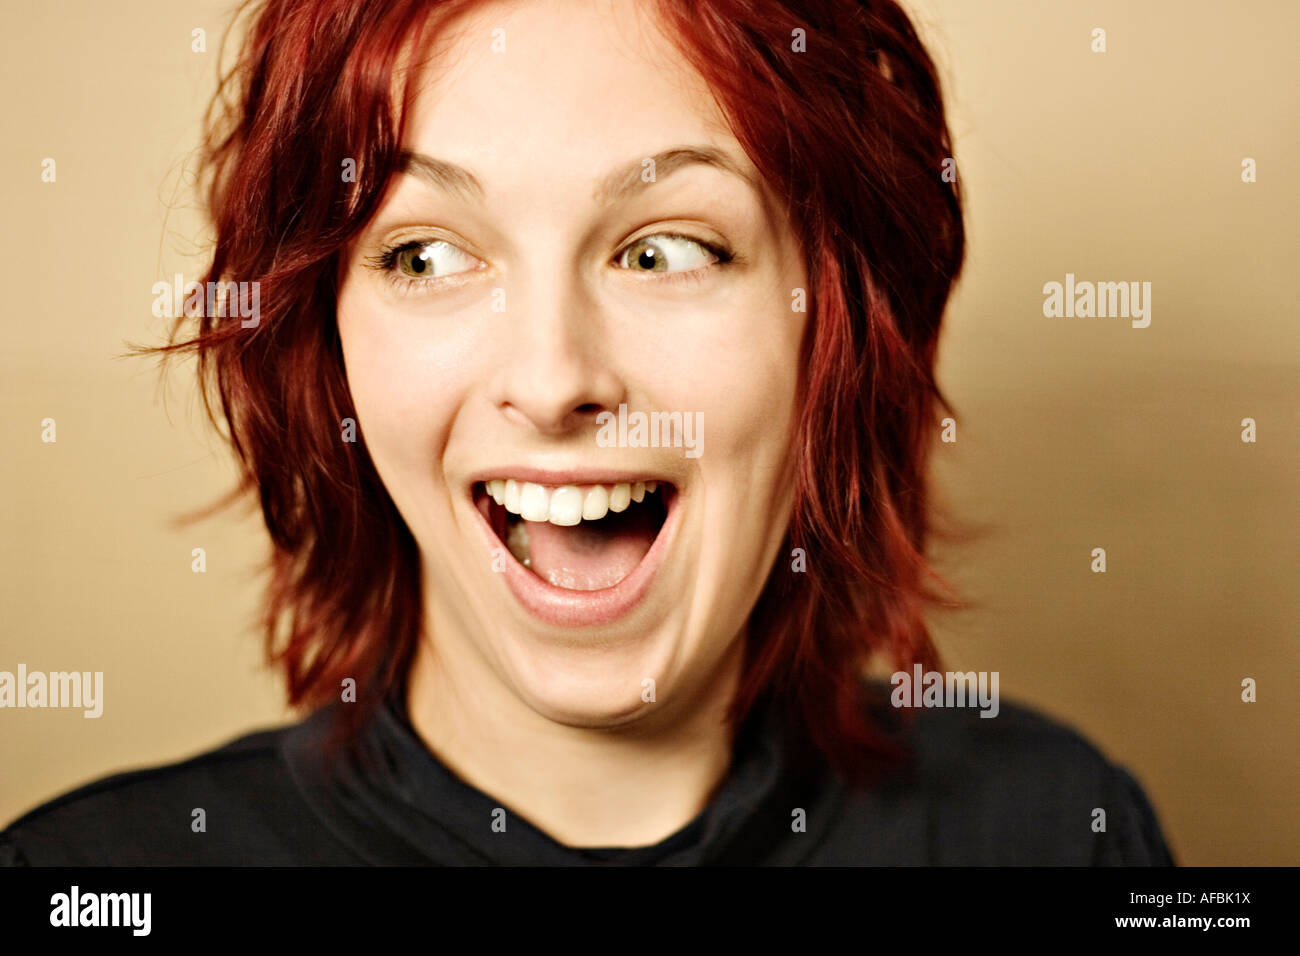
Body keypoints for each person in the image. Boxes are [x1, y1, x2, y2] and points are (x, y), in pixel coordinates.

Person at [1, 0, 1174, 865]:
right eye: (427, 254)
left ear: (835, 335)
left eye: (664, 248)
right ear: (329, 348)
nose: (554, 377)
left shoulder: (1059, 831)